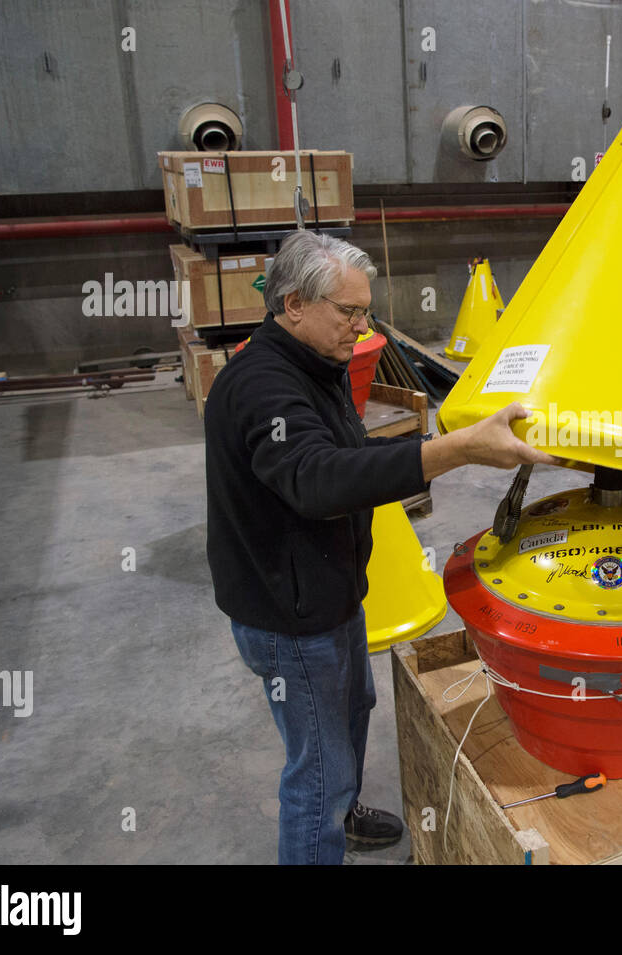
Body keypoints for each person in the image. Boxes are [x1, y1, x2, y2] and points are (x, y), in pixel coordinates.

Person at [205, 230, 553, 865]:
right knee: (317, 777)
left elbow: (352, 456)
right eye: (349, 312)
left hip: (328, 593)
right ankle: (327, 821)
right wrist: (460, 450)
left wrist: (441, 438)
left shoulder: (317, 364)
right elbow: (318, 480)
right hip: (289, 616)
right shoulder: (263, 387)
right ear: (292, 305)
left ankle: (347, 809)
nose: (364, 328)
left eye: (366, 311)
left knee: (355, 709)